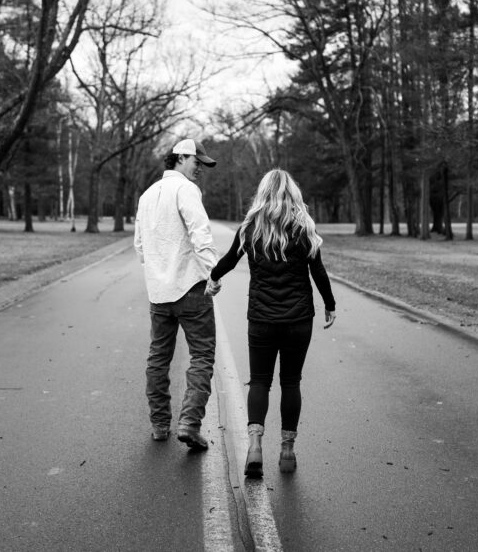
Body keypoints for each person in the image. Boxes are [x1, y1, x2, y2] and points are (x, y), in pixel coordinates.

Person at [207, 169, 336, 477]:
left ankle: (254, 446)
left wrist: (213, 278)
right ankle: (288, 451)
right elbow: (318, 271)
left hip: (262, 319)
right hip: (298, 319)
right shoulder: (304, 227)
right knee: (291, 382)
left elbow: (228, 261)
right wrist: (330, 305)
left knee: (260, 381)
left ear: (263, 193)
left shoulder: (251, 226)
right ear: (293, 194)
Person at [134, 138, 222, 451]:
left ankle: (160, 425)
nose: (199, 168)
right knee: (202, 355)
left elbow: (140, 246)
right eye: (197, 162)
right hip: (190, 289)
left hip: (159, 294)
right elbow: (201, 234)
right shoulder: (185, 189)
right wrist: (215, 272)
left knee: (158, 358)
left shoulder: (147, 195)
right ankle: (189, 423)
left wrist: (157, 270)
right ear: (180, 157)